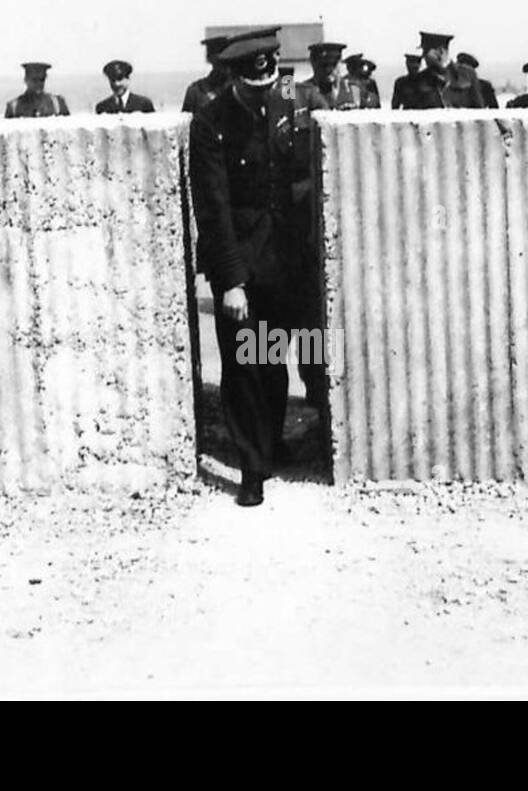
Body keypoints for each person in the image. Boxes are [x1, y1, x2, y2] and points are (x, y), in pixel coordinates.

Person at [189, 27, 325, 507]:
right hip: (244, 265)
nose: (264, 80)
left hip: (290, 262)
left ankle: (270, 443)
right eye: (253, 75)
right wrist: (229, 281)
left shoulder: (294, 99)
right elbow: (214, 207)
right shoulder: (212, 119)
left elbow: (313, 161)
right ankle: (251, 467)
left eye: (270, 68)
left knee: (275, 360)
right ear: (234, 76)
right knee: (246, 364)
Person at [404, 32, 484, 109]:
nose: (423, 56)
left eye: (426, 51)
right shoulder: (420, 79)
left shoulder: (467, 73)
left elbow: (479, 108)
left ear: (440, 51)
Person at [296, 41, 354, 109]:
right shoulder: (303, 91)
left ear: (340, 64)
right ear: (313, 64)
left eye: (333, 65)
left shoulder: (353, 90)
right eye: (323, 65)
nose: (328, 70)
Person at [182, 35, 230, 113]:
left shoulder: (238, 88)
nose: (221, 66)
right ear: (209, 59)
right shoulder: (196, 90)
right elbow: (187, 121)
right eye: (218, 61)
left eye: (224, 61)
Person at [4, 62, 71, 118]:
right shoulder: (14, 107)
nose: (39, 84)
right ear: (26, 80)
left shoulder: (58, 104)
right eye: (34, 80)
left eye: (42, 80)